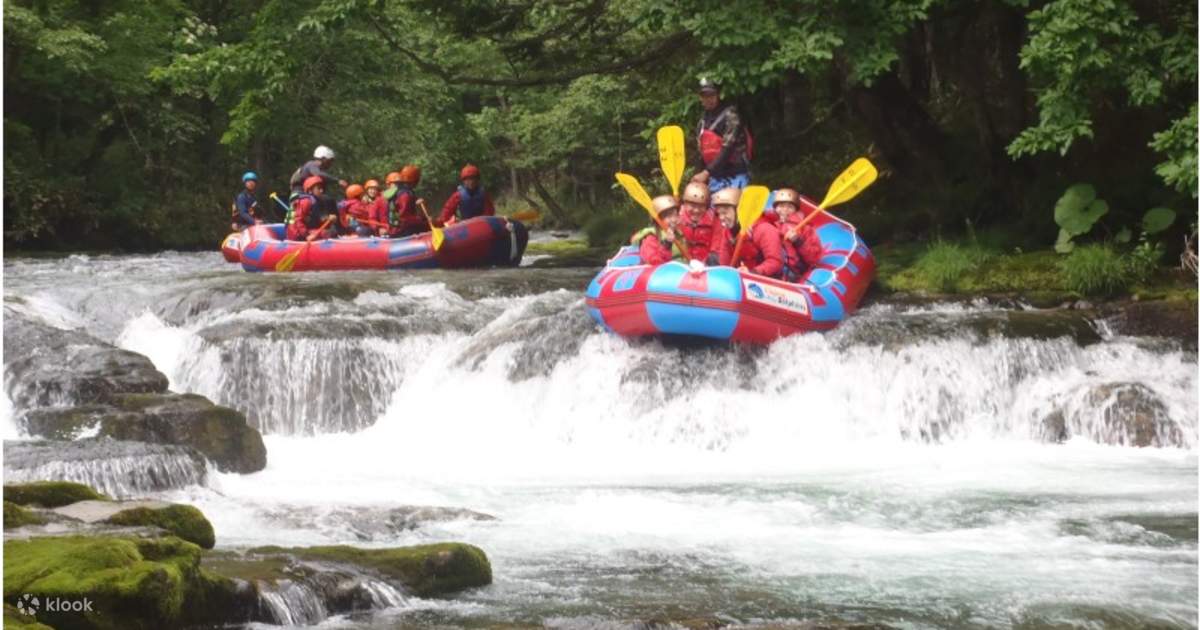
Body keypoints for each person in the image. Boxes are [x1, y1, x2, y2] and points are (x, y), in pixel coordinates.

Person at [690, 78, 752, 194]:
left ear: (718, 95)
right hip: (714, 177)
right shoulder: (702, 121)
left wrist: (706, 173)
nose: (708, 99)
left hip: (735, 174)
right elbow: (702, 153)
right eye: (704, 96)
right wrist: (699, 176)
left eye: (711, 95)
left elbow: (728, 148)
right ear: (700, 98)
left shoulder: (731, 116)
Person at [712, 188, 783, 278]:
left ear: (739, 210)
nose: (721, 217)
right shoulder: (728, 232)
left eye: (725, 213)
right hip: (744, 280)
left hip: (768, 282)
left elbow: (775, 262)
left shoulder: (764, 229)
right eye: (719, 214)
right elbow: (724, 264)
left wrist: (752, 272)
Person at [772, 188, 822, 280]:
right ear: (775, 208)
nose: (785, 209)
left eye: (789, 207)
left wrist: (798, 241)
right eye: (781, 206)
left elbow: (814, 258)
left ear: (795, 209)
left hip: (792, 271)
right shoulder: (770, 224)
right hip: (772, 267)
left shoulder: (805, 228)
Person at [632, 195, 686, 265]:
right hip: (664, 273)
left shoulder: (679, 232)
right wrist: (667, 244)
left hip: (683, 270)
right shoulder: (651, 238)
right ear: (657, 220)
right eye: (668, 216)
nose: (674, 219)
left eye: (675, 215)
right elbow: (655, 262)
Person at [287, 176, 337, 241]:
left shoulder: (318, 201)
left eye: (322, 188)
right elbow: (298, 220)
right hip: (297, 233)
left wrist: (329, 219)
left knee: (333, 231)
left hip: (307, 231)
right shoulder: (306, 201)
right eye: (318, 188)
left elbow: (317, 220)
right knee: (328, 233)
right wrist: (307, 235)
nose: (321, 191)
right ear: (310, 191)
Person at [678, 181, 717, 264]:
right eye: (692, 205)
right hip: (684, 263)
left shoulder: (714, 220)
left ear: (707, 206)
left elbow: (716, 246)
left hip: (706, 264)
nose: (696, 210)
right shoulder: (677, 218)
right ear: (684, 204)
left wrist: (705, 263)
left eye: (701, 206)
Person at [388, 165, 426, 237]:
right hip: (401, 231)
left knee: (425, 222)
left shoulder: (404, 191)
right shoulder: (405, 194)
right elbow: (404, 217)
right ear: (414, 180)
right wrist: (420, 219)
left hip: (401, 228)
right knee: (425, 225)